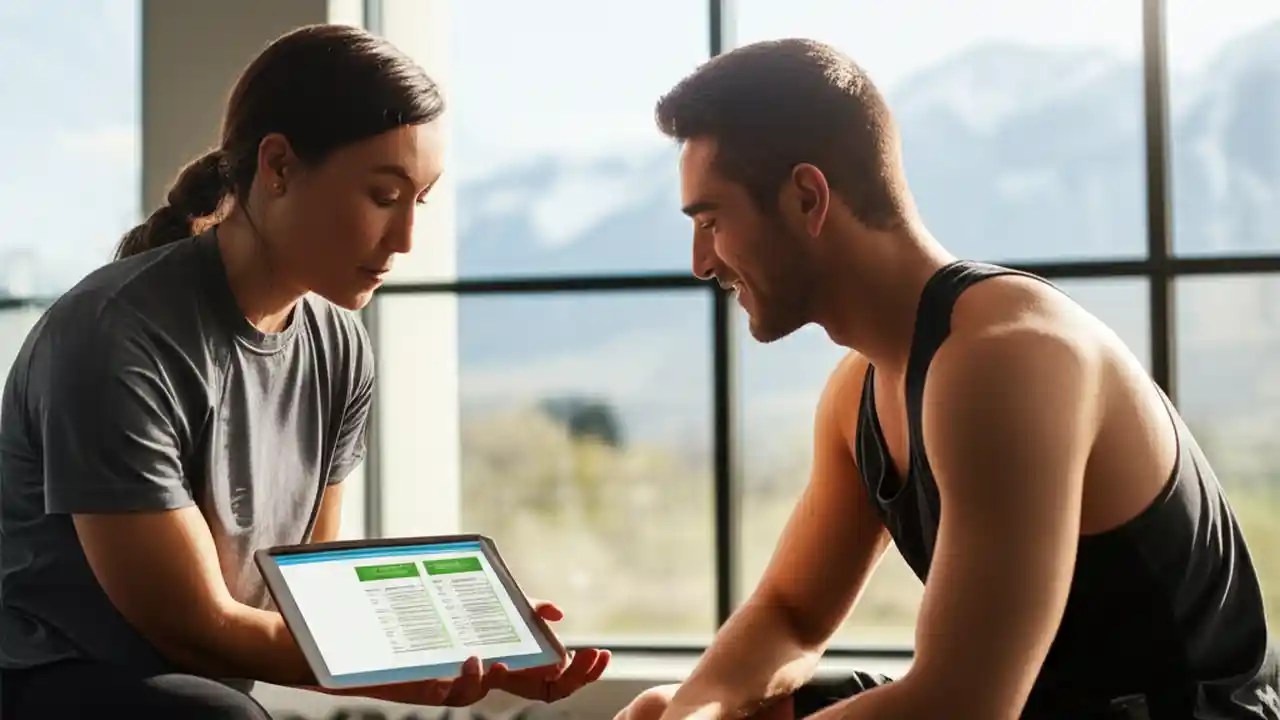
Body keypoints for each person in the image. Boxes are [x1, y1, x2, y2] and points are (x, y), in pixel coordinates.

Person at [615, 38, 1279, 720]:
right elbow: (791, 614)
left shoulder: (1007, 359)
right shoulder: (858, 392)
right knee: (665, 709)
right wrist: (692, 712)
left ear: (807, 198)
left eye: (711, 221)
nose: (700, 262)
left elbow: (962, 705)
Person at [0, 24, 608, 719]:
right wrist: (417, 674)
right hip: (48, 680)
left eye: (420, 201)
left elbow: (315, 606)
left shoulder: (340, 348)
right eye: (384, 196)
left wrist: (468, 642)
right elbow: (189, 625)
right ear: (279, 167)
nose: (406, 239)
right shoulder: (116, 335)